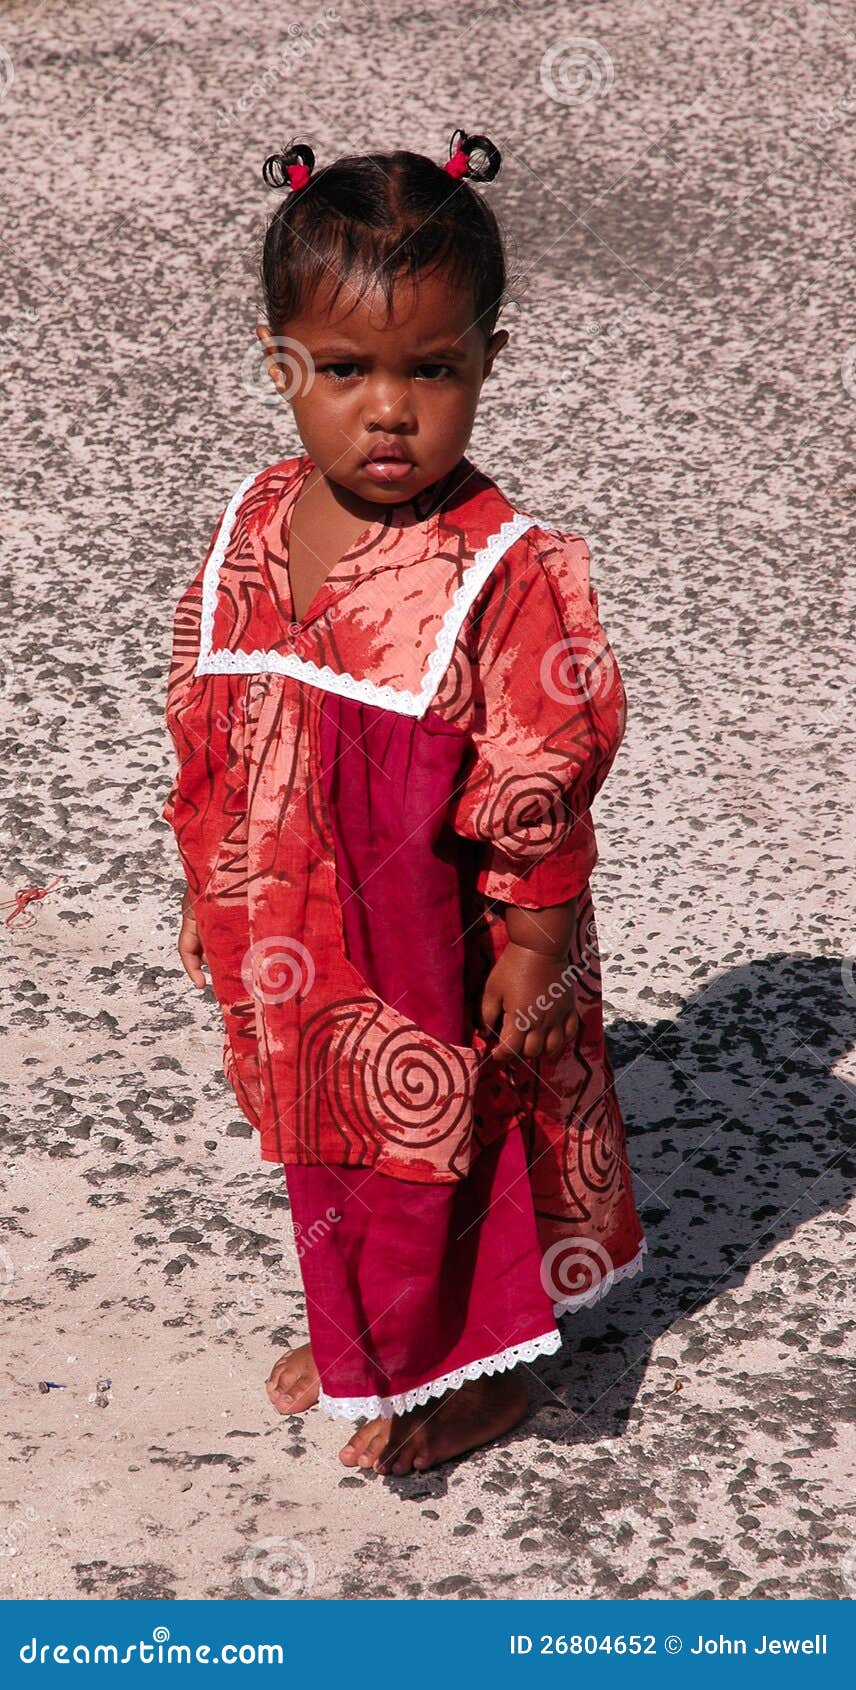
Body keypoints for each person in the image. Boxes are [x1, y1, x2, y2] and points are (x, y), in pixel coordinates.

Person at [161, 128, 646, 1477]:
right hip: (297, 948)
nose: (390, 410)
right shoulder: (256, 521)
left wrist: (538, 945)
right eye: (347, 370)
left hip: (437, 944)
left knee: (448, 1164)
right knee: (334, 1163)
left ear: (492, 357)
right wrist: (206, 888)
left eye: (432, 370)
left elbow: (542, 773)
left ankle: (474, 1376)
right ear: (280, 365)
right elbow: (212, 718)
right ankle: (372, 1329)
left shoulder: (500, 567)